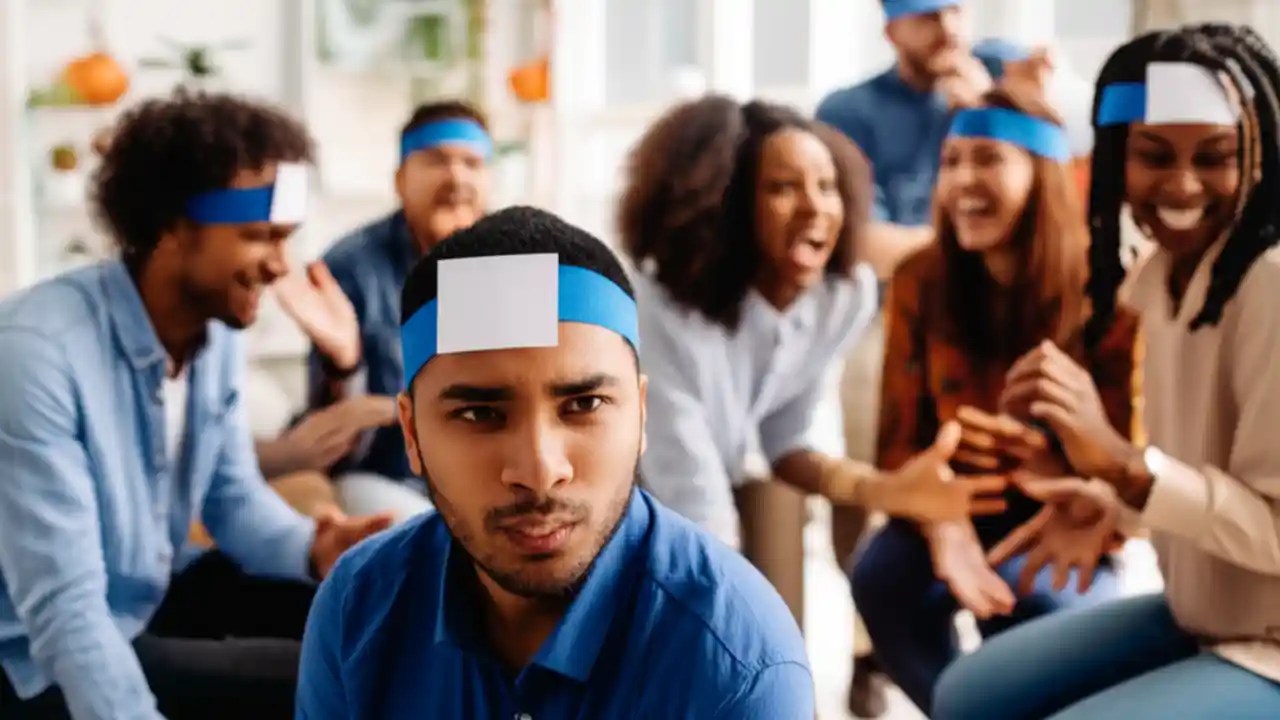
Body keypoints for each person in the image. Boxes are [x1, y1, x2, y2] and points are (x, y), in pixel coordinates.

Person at [295, 206, 816, 718]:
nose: (540, 470)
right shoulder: (357, 608)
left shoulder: (738, 667)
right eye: (480, 413)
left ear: (640, 415)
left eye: (584, 405)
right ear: (411, 432)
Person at [0, 91, 393, 720]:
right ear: (171, 227)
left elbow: (234, 504)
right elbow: (65, 614)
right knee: (322, 675)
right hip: (33, 657)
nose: (278, 266)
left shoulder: (208, 340)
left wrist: (319, 548)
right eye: (257, 236)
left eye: (284, 237)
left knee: (368, 627)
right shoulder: (37, 353)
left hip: (143, 598)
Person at [933, 24, 1280, 719]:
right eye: (1154, 155)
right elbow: (1209, 481)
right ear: (1117, 159)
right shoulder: (1161, 278)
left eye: (1215, 158)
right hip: (1203, 614)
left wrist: (1127, 468)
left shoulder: (1269, 283)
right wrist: (1118, 504)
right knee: (967, 695)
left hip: (1268, 644)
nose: (1182, 184)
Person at [849, 85, 1136, 716]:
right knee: (878, 581)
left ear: (1043, 174)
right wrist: (942, 521)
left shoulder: (1112, 287)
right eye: (951, 161)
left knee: (1036, 618)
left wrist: (1080, 486)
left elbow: (1138, 459)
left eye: (987, 159)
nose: (962, 181)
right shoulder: (923, 277)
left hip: (1064, 512)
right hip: (950, 500)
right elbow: (899, 441)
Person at [619, 97, 1009, 552]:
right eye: (783, 187)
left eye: (827, 186)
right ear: (725, 206)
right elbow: (691, 487)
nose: (815, 207)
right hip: (626, 514)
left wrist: (887, 490)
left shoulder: (842, 297)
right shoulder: (655, 307)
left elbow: (786, 436)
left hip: (700, 505)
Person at [266, 100, 492, 520]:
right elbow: (336, 432)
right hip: (386, 476)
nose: (457, 176)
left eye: (471, 163)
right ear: (401, 180)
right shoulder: (350, 267)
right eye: (437, 160)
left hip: (489, 474)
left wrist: (395, 409)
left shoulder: (517, 263)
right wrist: (344, 364)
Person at [816, 0, 1093, 275]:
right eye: (928, 17)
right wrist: (986, 242)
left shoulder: (1000, 68)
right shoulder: (848, 112)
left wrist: (989, 106)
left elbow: (1058, 193)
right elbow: (864, 244)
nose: (949, 28)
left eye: (956, 10)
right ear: (891, 32)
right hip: (907, 292)